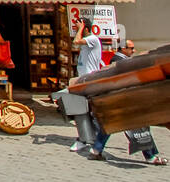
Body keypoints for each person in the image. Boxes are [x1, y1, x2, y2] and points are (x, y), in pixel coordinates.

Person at [87, 40, 167, 165]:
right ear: (122, 48)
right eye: (131, 48)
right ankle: (151, 156)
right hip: (125, 100)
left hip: (117, 100)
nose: (133, 51)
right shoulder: (119, 62)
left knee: (109, 127)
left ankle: (95, 151)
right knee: (141, 128)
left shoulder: (117, 60)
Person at [69, 20, 105, 152]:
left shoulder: (93, 39)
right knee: (82, 111)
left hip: (91, 80)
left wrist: (80, 28)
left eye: (79, 26)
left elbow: (76, 42)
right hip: (83, 80)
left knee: (92, 111)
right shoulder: (88, 40)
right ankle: (84, 137)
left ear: (85, 28)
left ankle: (91, 138)